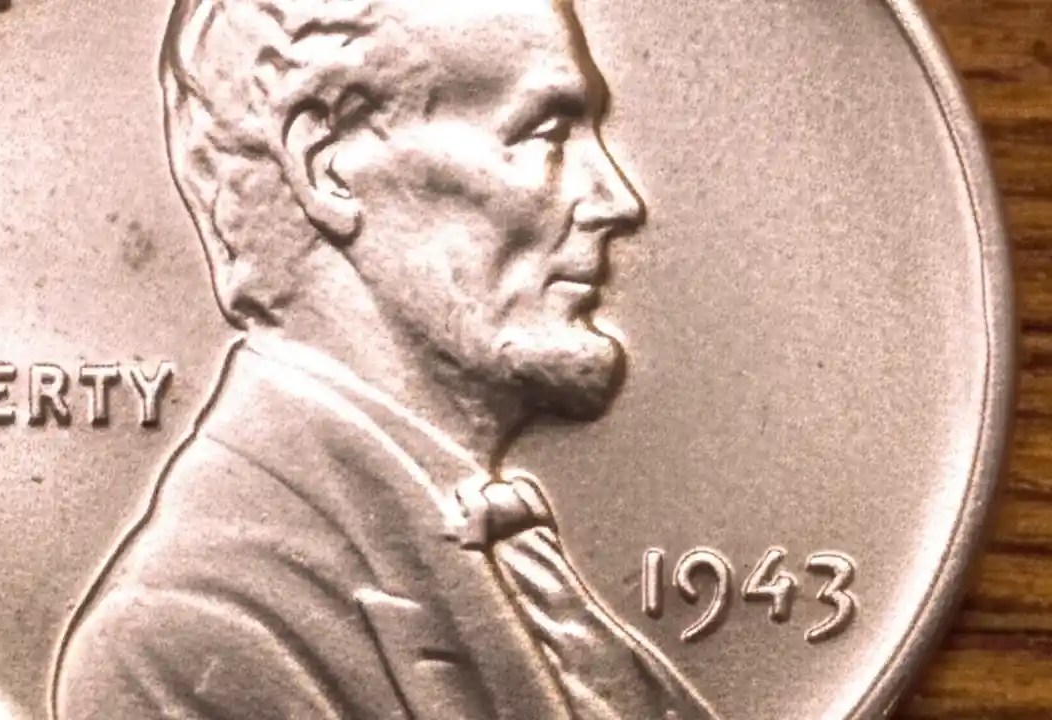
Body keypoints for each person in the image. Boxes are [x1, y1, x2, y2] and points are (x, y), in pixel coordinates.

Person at [54, 0, 718, 717]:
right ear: (326, 164)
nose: (617, 199)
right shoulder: (187, 642)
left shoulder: (501, 552)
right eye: (545, 133)